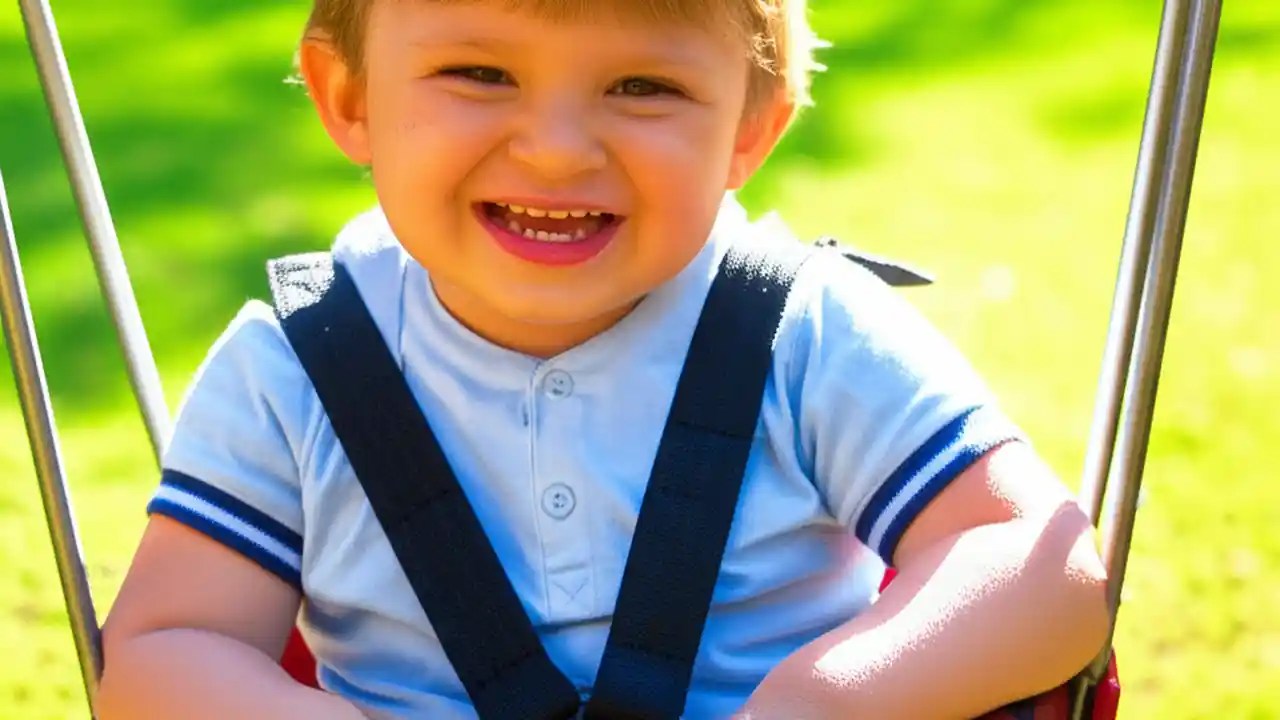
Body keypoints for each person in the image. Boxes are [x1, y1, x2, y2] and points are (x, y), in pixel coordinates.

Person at [94, 1, 1111, 718]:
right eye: (479, 73)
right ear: (349, 95)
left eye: (642, 85)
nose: (556, 149)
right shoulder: (297, 369)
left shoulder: (797, 330)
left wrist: (823, 702)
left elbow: (1038, 560)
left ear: (748, 132)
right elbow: (166, 652)